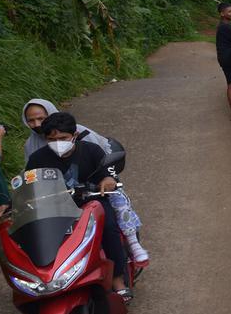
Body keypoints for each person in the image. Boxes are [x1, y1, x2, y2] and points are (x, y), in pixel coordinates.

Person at [21, 99, 148, 263]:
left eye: (41, 118)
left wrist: (108, 178)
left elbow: (105, 163)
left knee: (110, 223)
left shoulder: (88, 143)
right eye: (31, 120)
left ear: (74, 135)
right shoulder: (35, 153)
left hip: (93, 195)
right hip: (57, 202)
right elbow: (29, 179)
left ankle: (124, 263)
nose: (36, 123)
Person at [26, 112, 132, 301]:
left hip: (92, 202)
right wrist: (11, 204)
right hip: (56, 208)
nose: (57, 143)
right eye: (51, 139)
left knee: (108, 228)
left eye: (63, 138)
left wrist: (108, 180)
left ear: (74, 135)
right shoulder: (37, 159)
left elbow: (109, 174)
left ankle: (117, 279)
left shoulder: (92, 150)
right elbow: (29, 186)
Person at [215, 2, 231, 120]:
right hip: (228, 58)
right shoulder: (225, 27)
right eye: (229, 11)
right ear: (222, 13)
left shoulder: (223, 25)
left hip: (227, 57)